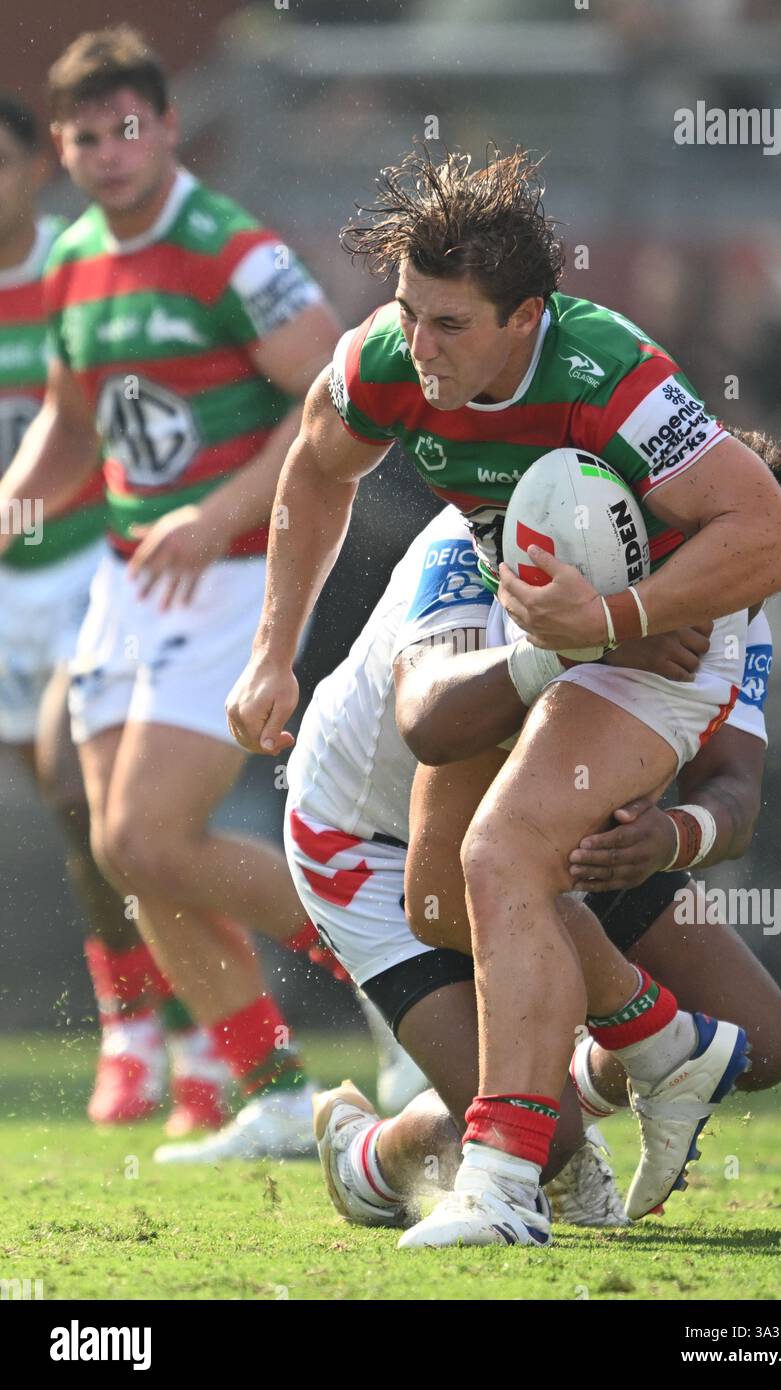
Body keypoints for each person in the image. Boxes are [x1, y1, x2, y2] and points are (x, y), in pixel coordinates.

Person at [227, 147, 781, 1245]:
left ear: (526, 318)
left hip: (604, 670)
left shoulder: (606, 382)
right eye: (408, 312)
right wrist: (273, 654)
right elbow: (317, 477)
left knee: (521, 879)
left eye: (450, 323)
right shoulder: (441, 478)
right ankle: (441, 1144)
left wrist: (619, 651)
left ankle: (545, 1142)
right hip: (361, 837)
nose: (421, 346)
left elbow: (767, 543)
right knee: (487, 881)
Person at [0, 27, 341, 1145]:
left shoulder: (231, 248)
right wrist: (18, 496)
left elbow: (326, 402)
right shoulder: (74, 259)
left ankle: (390, 946)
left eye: (127, 128)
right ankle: (279, 1092)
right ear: (62, 145)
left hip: (234, 575)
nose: (108, 151)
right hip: (130, 577)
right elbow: (70, 414)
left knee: (149, 836)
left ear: (168, 127)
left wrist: (217, 512)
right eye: (87, 135)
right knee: (124, 847)